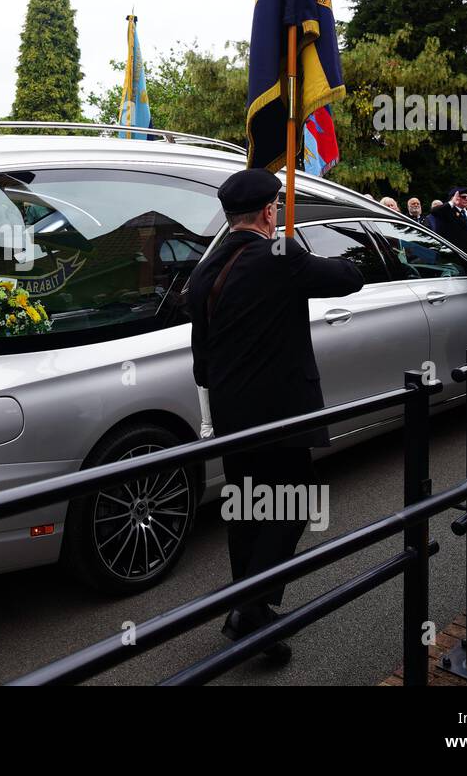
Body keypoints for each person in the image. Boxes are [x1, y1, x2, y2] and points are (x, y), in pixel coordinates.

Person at [190, 169, 365, 666]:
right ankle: (250, 608)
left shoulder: (206, 268)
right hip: (281, 412)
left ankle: (250, 611)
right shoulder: (280, 256)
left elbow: (201, 355)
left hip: (230, 411)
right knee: (295, 498)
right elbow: (348, 278)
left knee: (247, 507)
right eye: (278, 209)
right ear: (270, 212)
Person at [426, 186, 467, 256]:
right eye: (463, 197)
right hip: (455, 255)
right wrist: (451, 203)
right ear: (454, 198)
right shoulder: (449, 212)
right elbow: (434, 211)